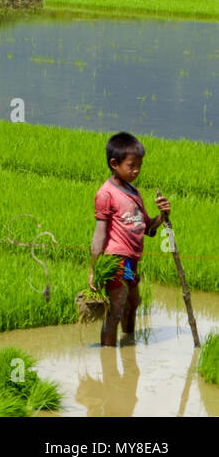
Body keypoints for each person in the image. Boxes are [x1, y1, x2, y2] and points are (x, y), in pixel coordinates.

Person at [90, 132, 169, 347]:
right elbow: (99, 234)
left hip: (132, 260)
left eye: (139, 166)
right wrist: (93, 270)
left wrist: (163, 215)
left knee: (133, 303)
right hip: (116, 259)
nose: (136, 171)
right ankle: (108, 355)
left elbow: (149, 230)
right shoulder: (106, 194)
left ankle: (129, 343)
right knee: (116, 309)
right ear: (114, 164)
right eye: (131, 166)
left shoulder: (134, 192)